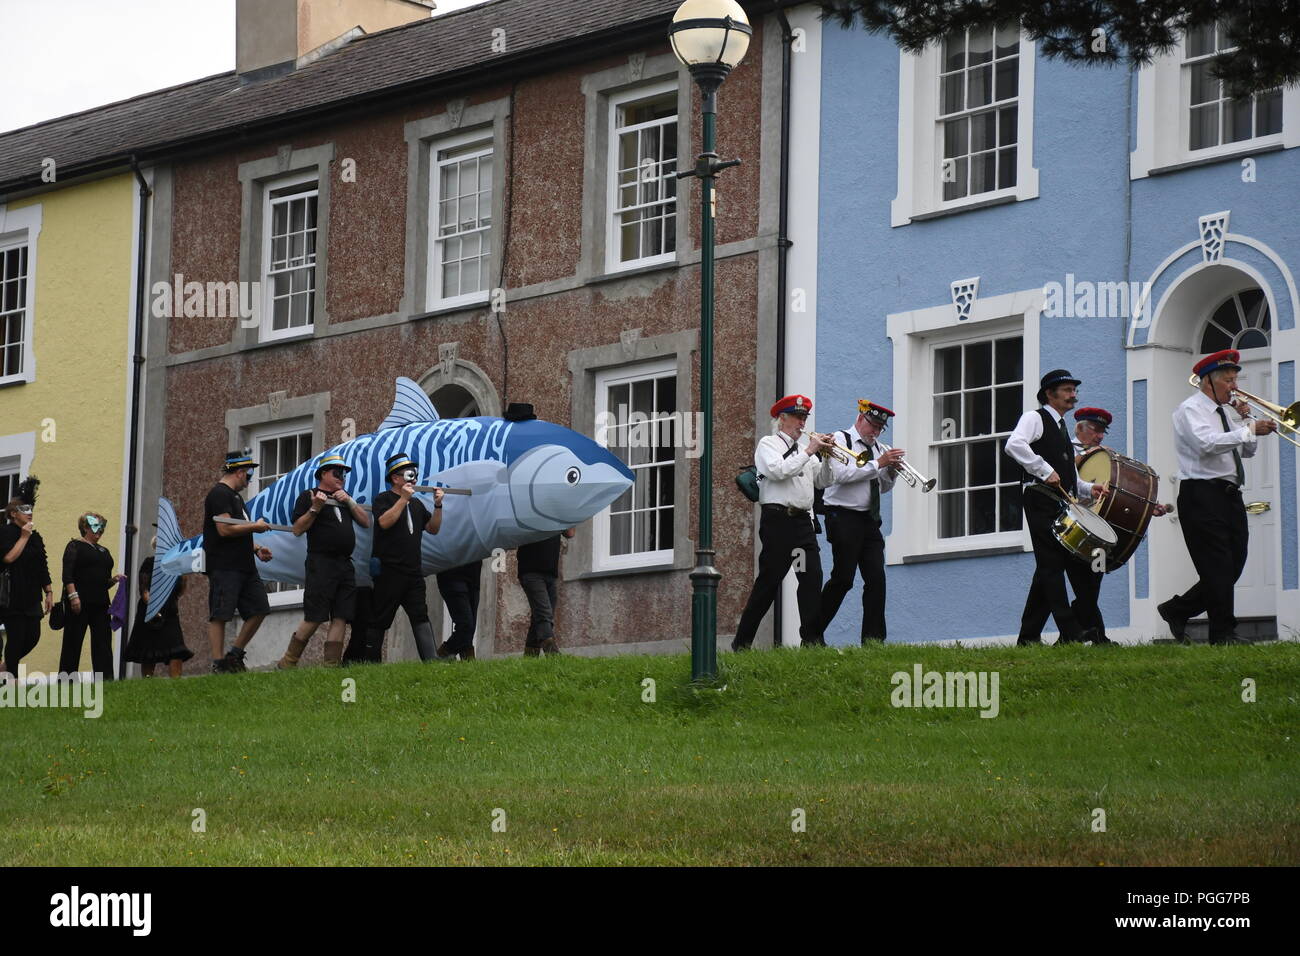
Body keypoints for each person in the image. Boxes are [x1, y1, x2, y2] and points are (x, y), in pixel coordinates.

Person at [1159, 350, 1277, 645]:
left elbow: (1245, 452)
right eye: (1229, 380)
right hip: (1201, 494)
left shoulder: (1224, 412)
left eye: (1235, 379)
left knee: (1235, 562)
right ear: (1208, 380)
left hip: (1229, 495)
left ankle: (1177, 609)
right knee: (1217, 566)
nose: (1235, 386)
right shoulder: (1190, 410)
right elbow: (1206, 445)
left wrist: (1247, 421)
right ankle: (1222, 634)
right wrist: (1249, 429)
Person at [1004, 370, 1110, 646]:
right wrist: (1042, 469)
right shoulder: (1034, 418)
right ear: (1049, 393)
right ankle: (1071, 630)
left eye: (1074, 390)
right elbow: (1013, 445)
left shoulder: (1061, 426)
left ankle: (1028, 637)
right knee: (1052, 564)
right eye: (1066, 389)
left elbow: (1067, 474)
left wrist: (1088, 489)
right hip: (1039, 497)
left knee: (1048, 568)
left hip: (1057, 501)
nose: (1073, 394)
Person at [732, 394, 834, 650]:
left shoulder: (805, 451)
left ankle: (812, 641)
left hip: (802, 523)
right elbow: (777, 471)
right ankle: (741, 643)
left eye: (804, 418)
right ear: (782, 419)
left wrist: (828, 457)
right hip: (778, 521)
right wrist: (810, 450)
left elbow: (822, 482)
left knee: (811, 578)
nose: (802, 423)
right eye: (798, 417)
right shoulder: (769, 444)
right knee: (769, 582)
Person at [817, 399, 903, 644]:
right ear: (860, 418)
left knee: (877, 579)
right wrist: (880, 464)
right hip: (842, 516)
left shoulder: (878, 449)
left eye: (879, 428)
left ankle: (873, 641)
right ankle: (812, 633)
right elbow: (841, 475)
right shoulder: (840, 440)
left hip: (869, 519)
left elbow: (882, 487)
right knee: (843, 579)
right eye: (872, 425)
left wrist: (892, 471)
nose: (875, 431)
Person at [278, 454, 371, 669]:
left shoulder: (344, 496)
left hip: (345, 564)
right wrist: (315, 508)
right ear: (323, 474)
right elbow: (297, 529)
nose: (342, 477)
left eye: (344, 473)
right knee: (315, 616)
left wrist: (348, 500)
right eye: (337, 472)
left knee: (341, 616)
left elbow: (365, 522)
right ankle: (288, 661)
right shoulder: (308, 495)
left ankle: (331, 665)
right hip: (321, 563)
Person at [358, 453, 444, 662]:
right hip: (389, 570)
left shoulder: (416, 505)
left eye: (414, 474)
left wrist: (438, 506)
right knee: (380, 618)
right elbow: (384, 522)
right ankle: (371, 663)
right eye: (408, 474)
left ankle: (431, 660)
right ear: (395, 478)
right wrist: (403, 499)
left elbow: (432, 529)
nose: (413, 479)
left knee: (420, 615)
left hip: (413, 571)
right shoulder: (383, 499)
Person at [203, 450, 274, 673]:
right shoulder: (219, 494)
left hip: (245, 566)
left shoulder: (236, 498)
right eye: (249, 473)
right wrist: (256, 526)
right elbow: (224, 530)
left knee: (260, 608)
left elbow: (238, 530)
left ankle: (234, 654)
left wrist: (256, 548)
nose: (250, 478)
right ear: (240, 472)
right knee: (221, 613)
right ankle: (218, 663)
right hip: (225, 565)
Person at [59, 512, 126, 678]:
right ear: (85, 527)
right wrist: (73, 596)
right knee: (73, 642)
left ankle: (106, 679)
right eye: (95, 526)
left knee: (102, 642)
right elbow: (68, 574)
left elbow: (103, 581)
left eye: (102, 527)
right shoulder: (75, 545)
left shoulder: (104, 551)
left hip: (101, 603)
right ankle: (67, 679)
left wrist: (114, 579)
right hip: (79, 602)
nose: (100, 530)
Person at [0, 478, 53, 679]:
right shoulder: (6, 532)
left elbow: (42, 565)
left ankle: (4, 668)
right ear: (13, 514)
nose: (29, 512)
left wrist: (48, 591)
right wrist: (23, 537)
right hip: (13, 596)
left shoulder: (35, 536)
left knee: (32, 637)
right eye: (24, 509)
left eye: (31, 508)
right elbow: (8, 558)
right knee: (15, 639)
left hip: (32, 596)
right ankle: (10, 681)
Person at [124, 537, 193, 677]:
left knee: (176, 649)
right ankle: (148, 683)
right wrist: (154, 607)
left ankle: (176, 684)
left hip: (170, 612)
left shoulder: (177, 565)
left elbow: (180, 590)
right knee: (149, 651)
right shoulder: (150, 562)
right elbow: (144, 590)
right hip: (150, 611)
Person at [517, 529, 575, 657]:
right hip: (530, 571)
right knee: (544, 615)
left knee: (539, 616)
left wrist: (570, 512)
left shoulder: (555, 512)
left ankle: (530, 657)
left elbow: (570, 533)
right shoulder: (529, 510)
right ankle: (553, 654)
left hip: (550, 573)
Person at [436, 560, 483, 660]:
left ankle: (468, 664)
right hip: (451, 575)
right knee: (466, 625)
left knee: (470, 629)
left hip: (473, 577)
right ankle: (440, 656)